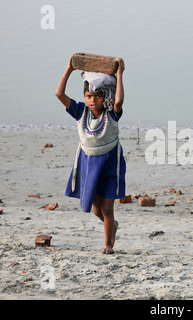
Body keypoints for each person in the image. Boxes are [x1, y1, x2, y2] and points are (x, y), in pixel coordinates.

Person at [55, 54, 126, 254]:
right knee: (96, 210)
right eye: (89, 96)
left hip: (110, 165)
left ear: (106, 97)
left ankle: (108, 243)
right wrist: (69, 69)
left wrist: (120, 74)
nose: (92, 100)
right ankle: (112, 226)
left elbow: (119, 100)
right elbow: (59, 94)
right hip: (88, 165)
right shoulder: (80, 112)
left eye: (97, 96)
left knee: (107, 208)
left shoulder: (111, 114)